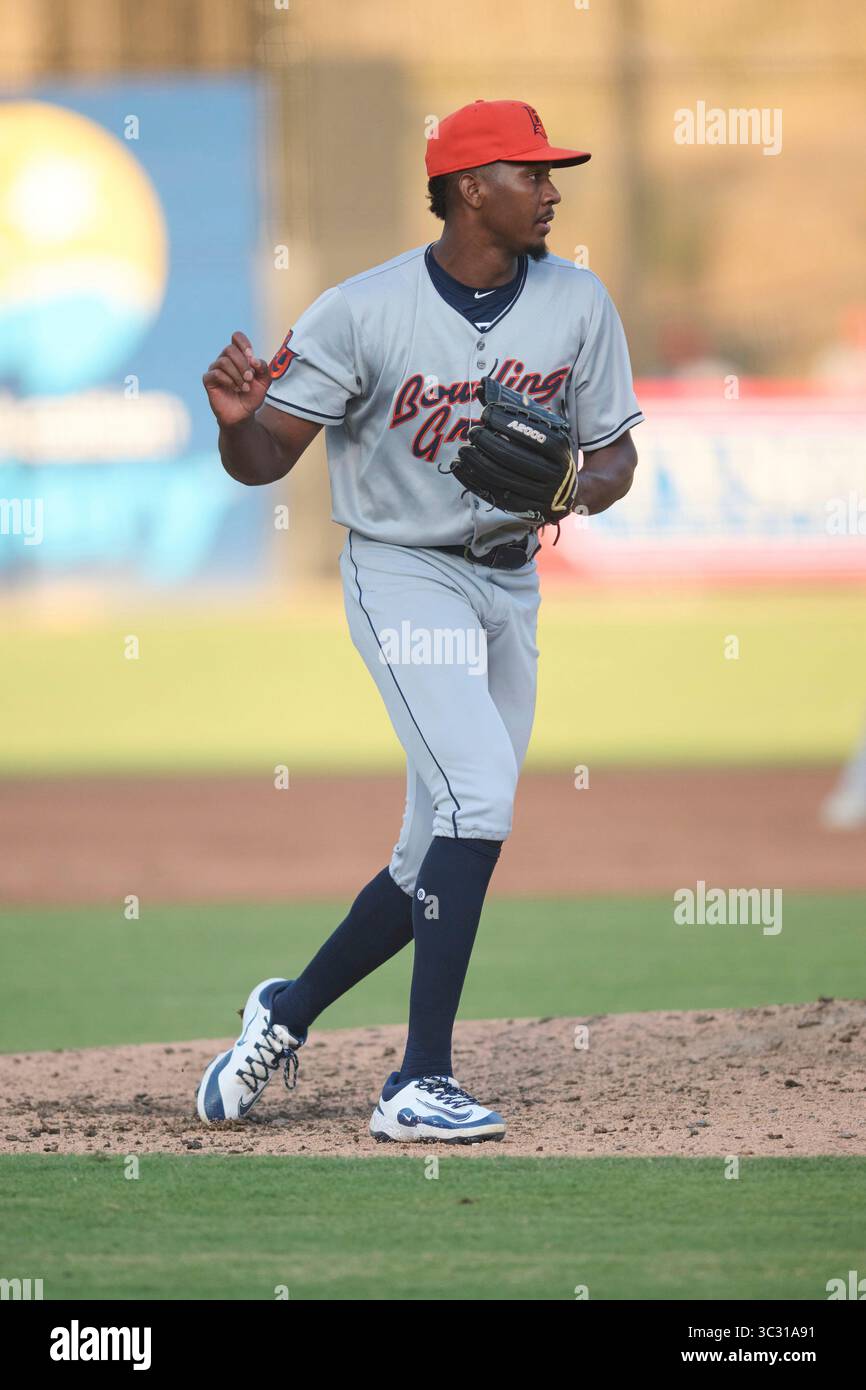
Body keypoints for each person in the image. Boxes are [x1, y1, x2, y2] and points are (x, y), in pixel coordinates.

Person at [197, 99, 643, 1143]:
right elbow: (268, 456)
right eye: (530, 173)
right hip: (402, 574)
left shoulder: (577, 302)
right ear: (466, 187)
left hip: (509, 579)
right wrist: (233, 430)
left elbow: (617, 459)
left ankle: (283, 1013)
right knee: (478, 799)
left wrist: (574, 481)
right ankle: (416, 1081)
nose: (551, 189)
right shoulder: (363, 311)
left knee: (429, 852)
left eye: (549, 173)